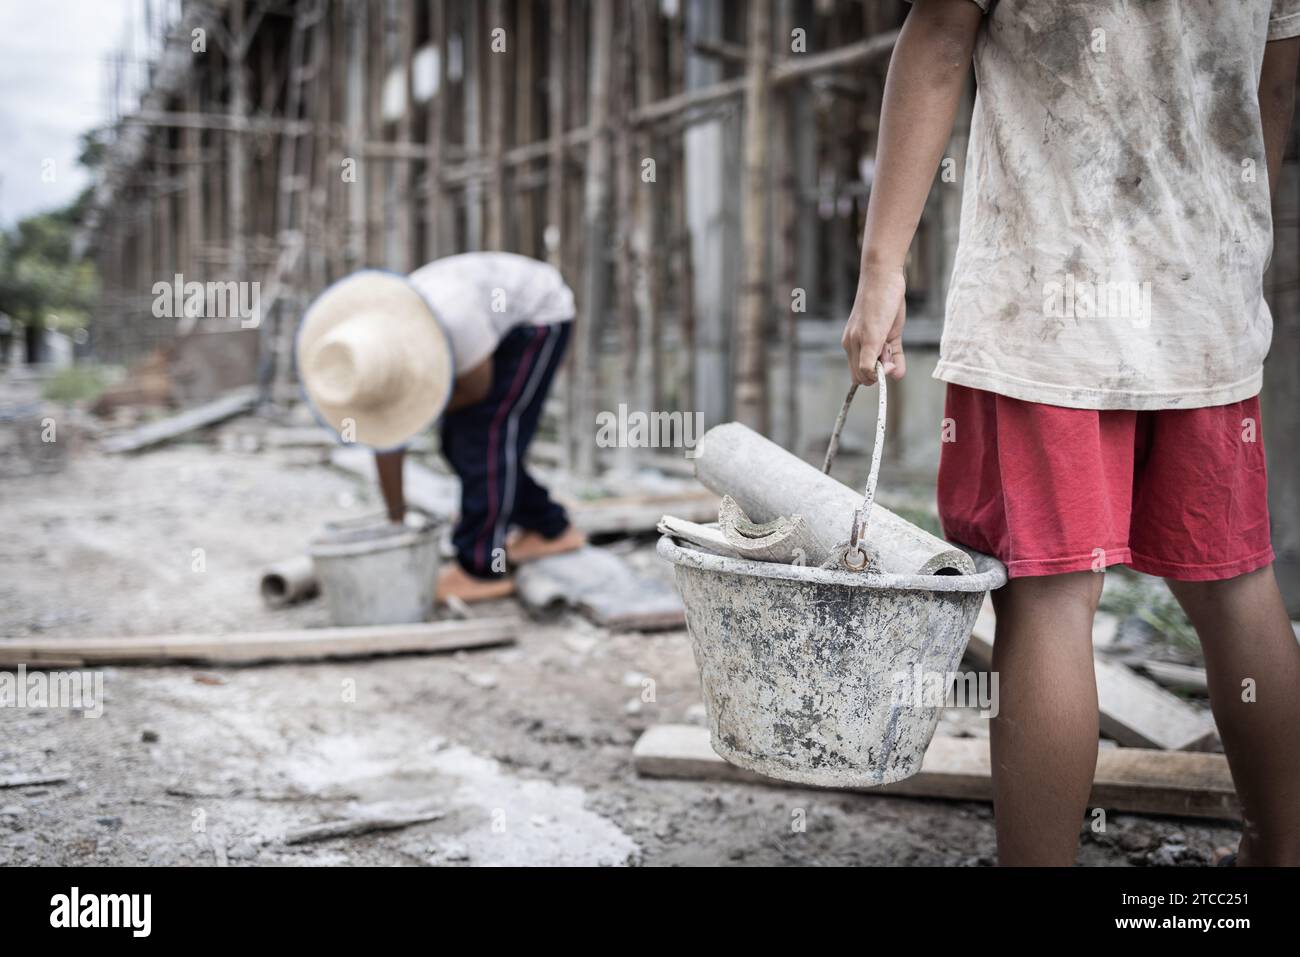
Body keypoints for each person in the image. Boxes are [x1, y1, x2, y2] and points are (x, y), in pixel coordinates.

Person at [841, 0, 1300, 865]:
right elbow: (1275, 84)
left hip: (1043, 297)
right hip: (1201, 300)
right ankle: (1279, 851)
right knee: (1236, 583)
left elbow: (939, 36)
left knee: (1050, 594)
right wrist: (1230, 246)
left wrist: (880, 268)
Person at [376, 252, 586, 602]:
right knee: (454, 443)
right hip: (487, 325)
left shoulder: (452, 319)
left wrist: (422, 410)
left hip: (536, 315)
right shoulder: (381, 359)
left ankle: (482, 569)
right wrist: (396, 524)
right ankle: (550, 528)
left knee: (485, 436)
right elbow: (387, 439)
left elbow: (478, 389)